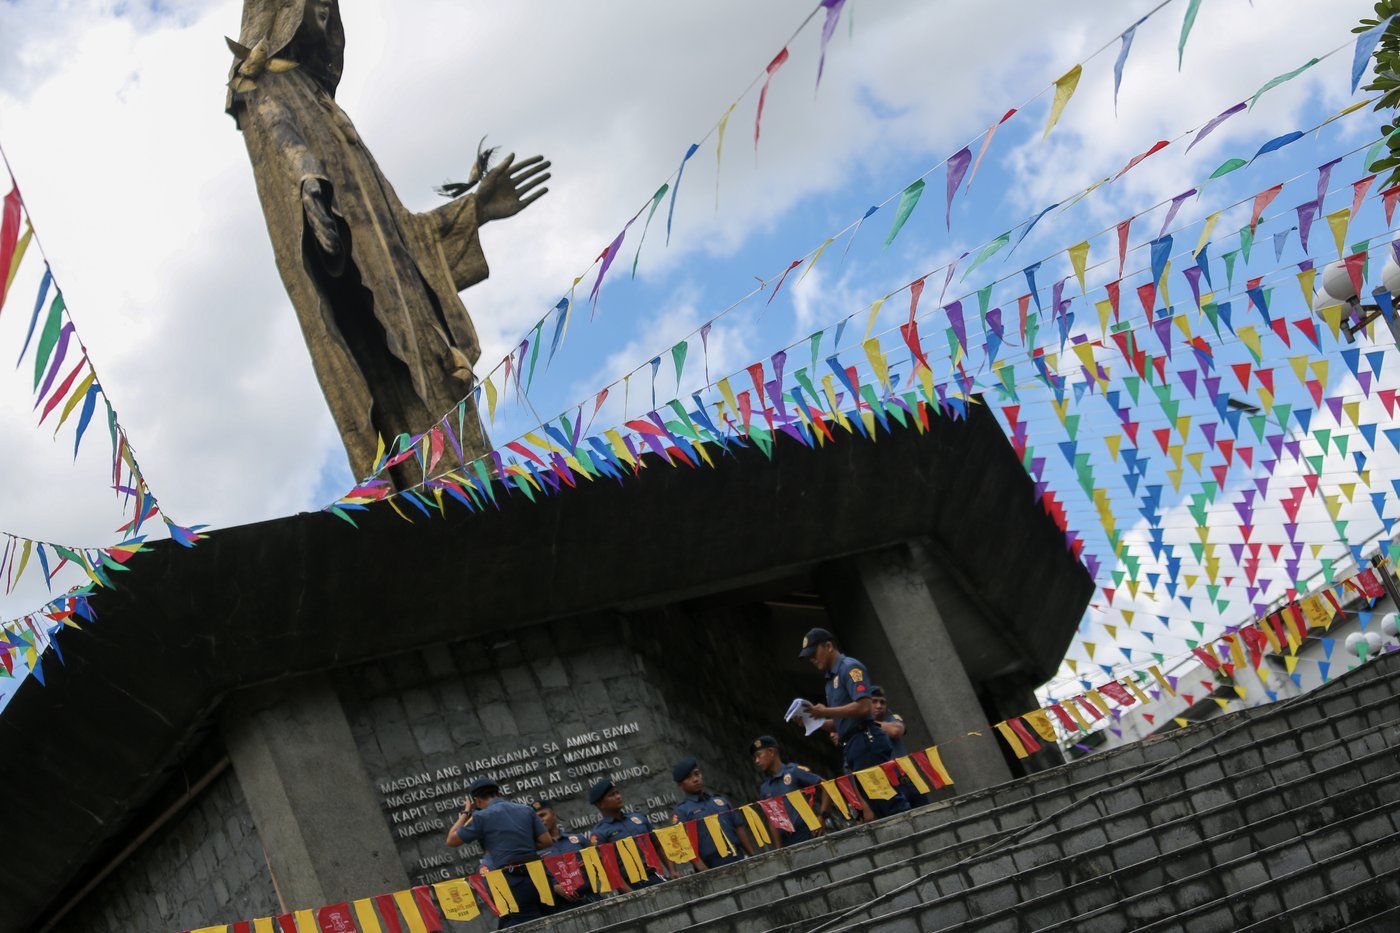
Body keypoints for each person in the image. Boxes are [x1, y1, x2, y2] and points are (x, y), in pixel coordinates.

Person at [798, 627, 911, 819]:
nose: (812, 659)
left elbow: (863, 707)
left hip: (866, 740)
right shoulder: (830, 680)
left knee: (888, 799)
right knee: (875, 804)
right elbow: (841, 721)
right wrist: (814, 720)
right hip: (853, 745)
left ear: (828, 646)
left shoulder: (849, 668)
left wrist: (824, 711)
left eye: (814, 653)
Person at [445, 778, 552, 928]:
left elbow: (451, 840)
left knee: (529, 926)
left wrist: (465, 813)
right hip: (540, 878)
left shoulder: (481, 817)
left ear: (477, 800)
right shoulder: (526, 809)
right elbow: (546, 841)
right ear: (499, 793)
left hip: (512, 884)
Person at [669, 757, 754, 871]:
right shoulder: (682, 811)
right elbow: (685, 845)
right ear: (680, 785)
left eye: (697, 774)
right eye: (689, 778)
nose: (695, 779)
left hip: (738, 855)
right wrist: (703, 869)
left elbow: (738, 827)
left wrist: (753, 856)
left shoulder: (720, 800)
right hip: (712, 864)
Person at [587, 779, 675, 890]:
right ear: (601, 804)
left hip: (654, 876)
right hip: (631, 885)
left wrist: (672, 871)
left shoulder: (638, 818)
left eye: (617, 793)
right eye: (612, 795)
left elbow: (658, 844)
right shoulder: (599, 833)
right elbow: (608, 870)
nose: (618, 797)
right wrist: (629, 893)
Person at [751, 735, 829, 847]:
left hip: (807, 832)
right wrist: (779, 849)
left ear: (771, 752)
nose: (757, 761)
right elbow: (772, 821)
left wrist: (822, 816)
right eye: (755, 758)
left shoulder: (793, 772)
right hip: (786, 840)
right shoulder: (765, 788)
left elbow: (825, 786)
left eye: (759, 755)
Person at [531, 799, 597, 910]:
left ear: (553, 814)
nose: (540, 820)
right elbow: (535, 881)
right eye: (535, 819)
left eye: (542, 815)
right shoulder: (534, 852)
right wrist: (554, 887)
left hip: (593, 898)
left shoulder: (578, 839)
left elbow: (599, 865)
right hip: (563, 908)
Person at [870, 685, 928, 808]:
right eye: (874, 702)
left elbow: (896, 731)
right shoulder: (857, 728)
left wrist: (869, 723)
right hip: (887, 788)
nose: (879, 706)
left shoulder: (891, 717)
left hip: (910, 780)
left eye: (882, 702)